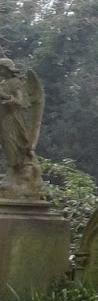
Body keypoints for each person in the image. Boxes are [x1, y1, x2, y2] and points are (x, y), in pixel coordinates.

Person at [0, 56, 46, 199]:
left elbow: (21, 102)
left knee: (13, 145)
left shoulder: (16, 83)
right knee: (6, 146)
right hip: (3, 119)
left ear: (7, 69)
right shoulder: (3, 83)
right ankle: (12, 174)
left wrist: (5, 97)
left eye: (1, 68)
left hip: (13, 120)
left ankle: (18, 172)